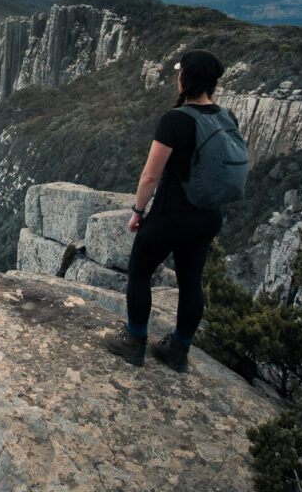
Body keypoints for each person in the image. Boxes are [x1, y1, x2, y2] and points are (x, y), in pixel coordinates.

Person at [104, 49, 236, 373]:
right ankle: (178, 350)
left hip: (173, 215)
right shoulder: (226, 117)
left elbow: (151, 175)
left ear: (184, 79)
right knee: (191, 281)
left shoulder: (174, 120)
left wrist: (138, 210)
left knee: (139, 272)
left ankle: (134, 341)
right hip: (208, 216)